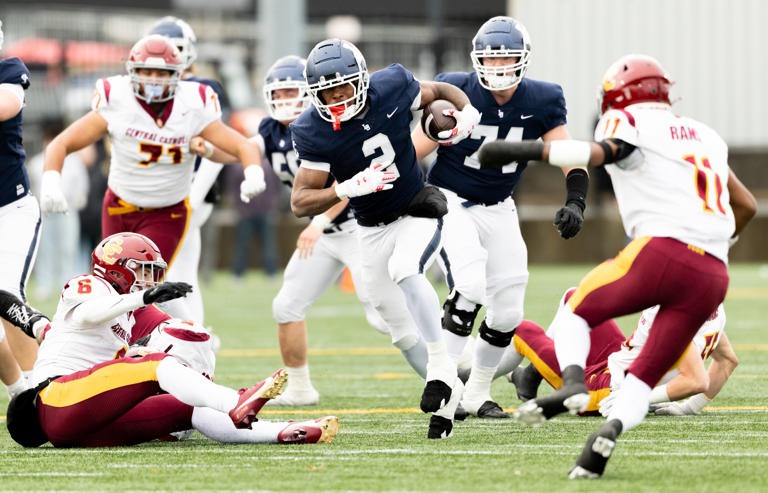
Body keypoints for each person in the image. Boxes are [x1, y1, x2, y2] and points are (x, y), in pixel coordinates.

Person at [478, 54, 756, 478]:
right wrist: (718, 240)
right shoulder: (706, 136)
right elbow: (747, 205)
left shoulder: (629, 122)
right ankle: (605, 439)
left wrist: (519, 149)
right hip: (713, 274)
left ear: (619, 95)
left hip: (663, 250)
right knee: (642, 380)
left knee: (576, 309)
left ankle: (571, 382)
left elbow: (596, 152)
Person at [199, 55, 424, 406]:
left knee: (384, 317)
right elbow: (239, 153)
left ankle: (451, 351)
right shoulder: (271, 132)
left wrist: (317, 223)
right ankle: (301, 388)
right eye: (279, 93)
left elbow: (350, 185)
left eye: (293, 92)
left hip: (354, 225)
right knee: (286, 305)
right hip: (323, 234)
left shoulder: (327, 128)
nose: (286, 100)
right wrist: (206, 149)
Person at [290, 38, 481, 438]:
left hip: (416, 207)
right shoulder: (312, 129)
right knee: (395, 324)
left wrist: (466, 112)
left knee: (406, 269)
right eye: (327, 91)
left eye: (343, 87)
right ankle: (449, 402)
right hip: (369, 227)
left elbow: (442, 91)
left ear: (361, 79)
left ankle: (441, 368)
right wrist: (344, 189)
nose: (337, 97)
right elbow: (300, 201)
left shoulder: (392, 84)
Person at [2, 232, 339, 448]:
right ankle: (234, 400)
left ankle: (277, 431)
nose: (150, 279)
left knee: (188, 407)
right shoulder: (88, 286)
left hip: (88, 427)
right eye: (143, 271)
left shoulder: (120, 316)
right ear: (117, 270)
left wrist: (285, 430)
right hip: (54, 400)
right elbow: (91, 314)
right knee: (154, 364)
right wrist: (145, 297)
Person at [411, 16, 587, 418]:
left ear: (524, 60)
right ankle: (442, 385)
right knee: (470, 284)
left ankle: (476, 392)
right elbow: (413, 150)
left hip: (500, 205)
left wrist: (576, 198)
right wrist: (405, 193)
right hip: (450, 200)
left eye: (507, 58)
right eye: (490, 59)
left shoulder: (542, 99)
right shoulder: (455, 91)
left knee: (509, 309)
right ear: (477, 61)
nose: (498, 67)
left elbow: (569, 153)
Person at [39, 34, 267, 281]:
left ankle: (166, 320)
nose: (154, 80)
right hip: (118, 207)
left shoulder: (192, 104)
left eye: (162, 73)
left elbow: (244, 146)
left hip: (166, 213)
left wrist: (253, 173)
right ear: (133, 72)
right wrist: (51, 183)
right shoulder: (117, 99)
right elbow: (60, 144)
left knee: (140, 285)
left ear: (177, 75)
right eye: (146, 72)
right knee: (109, 286)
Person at [505, 288, 738, 418]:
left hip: (608, 389)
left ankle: (479, 381)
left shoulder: (676, 315)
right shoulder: (715, 309)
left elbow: (695, 380)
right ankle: (532, 374)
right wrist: (690, 408)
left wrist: (637, 398)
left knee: (523, 329)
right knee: (575, 298)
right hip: (619, 362)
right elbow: (727, 361)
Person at [147, 16, 230, 324]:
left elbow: (216, 148)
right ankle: (195, 337)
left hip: (190, 190)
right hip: (159, 192)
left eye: (176, 49)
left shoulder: (200, 88)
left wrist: (193, 197)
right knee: (177, 270)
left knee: (168, 271)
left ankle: (192, 336)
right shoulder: (143, 93)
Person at [0, 18, 44, 398]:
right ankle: (21, 393)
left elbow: (6, 105)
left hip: (9, 210)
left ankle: (41, 389)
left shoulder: (9, 70)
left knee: (5, 293)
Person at [28, 120, 93, 300]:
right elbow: (33, 188)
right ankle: (44, 285)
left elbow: (82, 185)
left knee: (68, 247)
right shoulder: (36, 162)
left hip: (68, 210)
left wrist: (77, 200)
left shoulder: (73, 162)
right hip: (45, 212)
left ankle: (67, 283)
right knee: (45, 249)